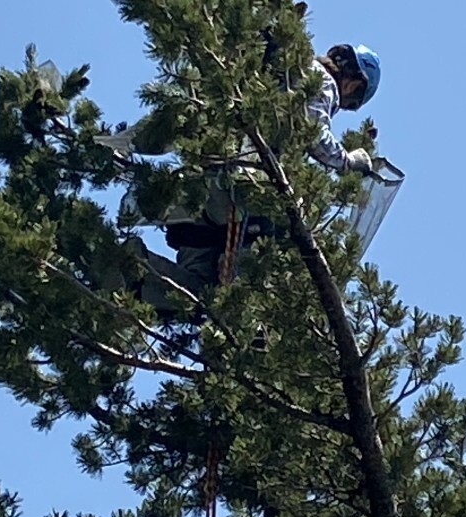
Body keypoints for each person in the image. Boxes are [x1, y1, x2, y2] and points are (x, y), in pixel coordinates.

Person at [121, 43, 383, 319]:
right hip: (242, 190)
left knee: (199, 292)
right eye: (351, 101)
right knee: (255, 259)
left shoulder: (283, 72)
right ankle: (249, 324)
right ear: (353, 82)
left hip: (200, 195)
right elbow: (315, 133)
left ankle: (136, 269)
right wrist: (348, 161)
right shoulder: (320, 80)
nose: (344, 105)